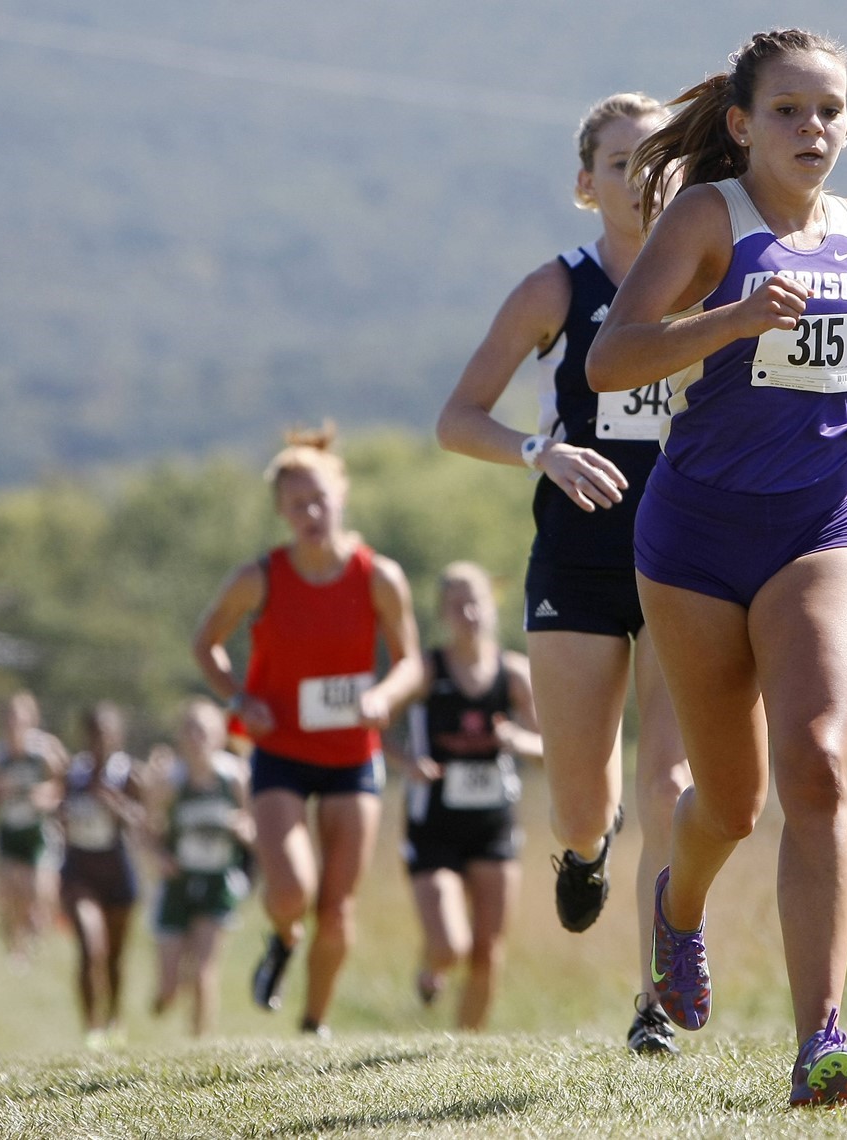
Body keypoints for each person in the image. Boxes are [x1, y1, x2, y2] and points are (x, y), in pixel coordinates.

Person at [587, 28, 847, 1106]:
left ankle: (820, 1043)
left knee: (816, 770)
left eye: (830, 110)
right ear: (743, 125)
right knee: (731, 803)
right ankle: (679, 910)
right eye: (791, 110)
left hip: (817, 532)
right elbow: (614, 357)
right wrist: (735, 317)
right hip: (693, 544)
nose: (814, 129)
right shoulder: (709, 218)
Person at [436, 92, 693, 1054]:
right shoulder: (557, 289)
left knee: (670, 786)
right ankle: (584, 852)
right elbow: (457, 417)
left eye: (660, 158)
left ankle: (655, 1004)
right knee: (585, 802)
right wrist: (540, 448)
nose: (643, 177)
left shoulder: (713, 279)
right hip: (579, 560)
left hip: (688, 559)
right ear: (589, 185)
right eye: (622, 163)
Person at [193, 424, 423, 1037]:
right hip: (281, 752)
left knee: (339, 906)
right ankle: (283, 935)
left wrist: (382, 694)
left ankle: (313, 1025)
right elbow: (206, 643)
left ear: (341, 495)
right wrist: (239, 696)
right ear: (281, 513)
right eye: (298, 505)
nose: (312, 513)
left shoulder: (379, 578)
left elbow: (411, 664)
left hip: (352, 753)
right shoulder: (259, 578)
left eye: (320, 499)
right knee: (293, 891)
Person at [402, 561, 542, 1030]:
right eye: (456, 603)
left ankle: (465, 1045)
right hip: (434, 827)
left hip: (493, 826)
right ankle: (430, 965)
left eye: (476, 601)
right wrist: (407, 764)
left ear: (491, 606)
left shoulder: (514, 673)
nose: (468, 612)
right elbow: (374, 719)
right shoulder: (425, 670)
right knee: (450, 946)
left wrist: (518, 742)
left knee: (487, 950)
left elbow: (552, 749)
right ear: (442, 612)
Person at [148, 699, 255, 1037]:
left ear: (219, 737)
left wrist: (244, 828)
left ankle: (199, 1046)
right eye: (190, 730)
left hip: (218, 881)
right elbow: (146, 830)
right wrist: (159, 857)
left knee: (203, 972)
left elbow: (256, 829)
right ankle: (166, 995)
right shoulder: (170, 782)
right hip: (178, 883)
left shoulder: (236, 778)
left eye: (204, 731)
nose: (197, 739)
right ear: (181, 737)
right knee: (169, 985)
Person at [56, 701, 146, 1048]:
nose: (100, 742)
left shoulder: (128, 774)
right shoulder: (73, 774)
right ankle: (91, 1028)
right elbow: (60, 811)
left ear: (117, 737)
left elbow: (141, 821)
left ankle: (114, 1019)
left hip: (118, 874)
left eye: (106, 736)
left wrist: (114, 804)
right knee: (91, 947)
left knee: (114, 957)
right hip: (80, 872)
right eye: (94, 735)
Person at [0, 690, 67, 968]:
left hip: (37, 833)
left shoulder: (44, 751)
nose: (13, 725)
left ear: (32, 721)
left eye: (19, 719)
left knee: (41, 890)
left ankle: (34, 939)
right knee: (11, 894)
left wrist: (46, 795)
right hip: (9, 831)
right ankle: (14, 949)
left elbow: (63, 785)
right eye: (9, 719)